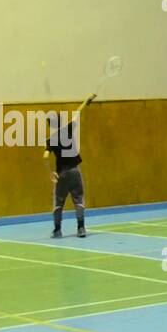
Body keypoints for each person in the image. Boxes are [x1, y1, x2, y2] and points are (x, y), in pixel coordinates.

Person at [45, 93, 96, 238]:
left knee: (58, 203)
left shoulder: (50, 139)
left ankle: (57, 230)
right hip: (74, 171)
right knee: (78, 200)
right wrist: (87, 100)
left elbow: (45, 156)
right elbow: (78, 112)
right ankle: (81, 228)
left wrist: (50, 172)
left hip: (61, 174)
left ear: (50, 124)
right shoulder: (68, 129)